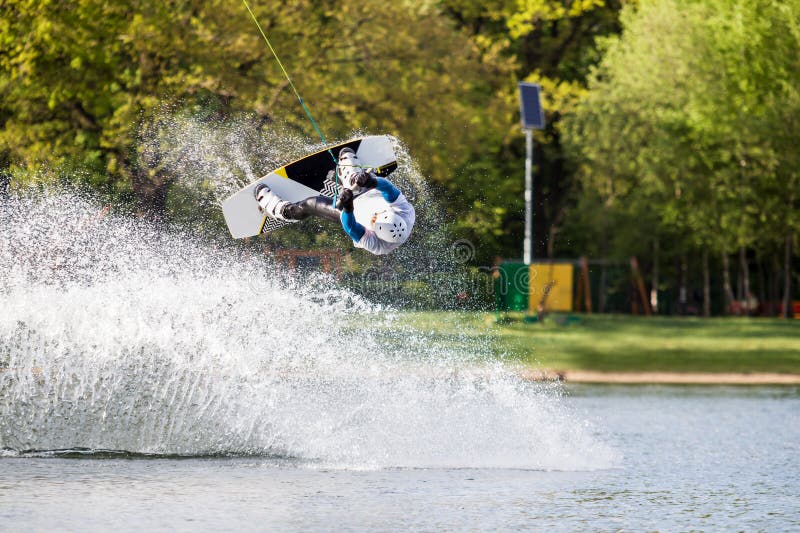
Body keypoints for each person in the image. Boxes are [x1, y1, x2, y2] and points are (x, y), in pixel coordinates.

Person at [254, 147, 415, 255]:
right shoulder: (405, 212)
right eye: (378, 215)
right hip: (368, 193)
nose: (374, 217)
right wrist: (369, 181)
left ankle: (282, 211)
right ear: (391, 212)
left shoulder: (377, 245)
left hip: (353, 214)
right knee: (350, 160)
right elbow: (387, 188)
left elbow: (350, 227)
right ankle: (349, 176)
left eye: (373, 221)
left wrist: (347, 206)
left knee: (311, 203)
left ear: (375, 232)